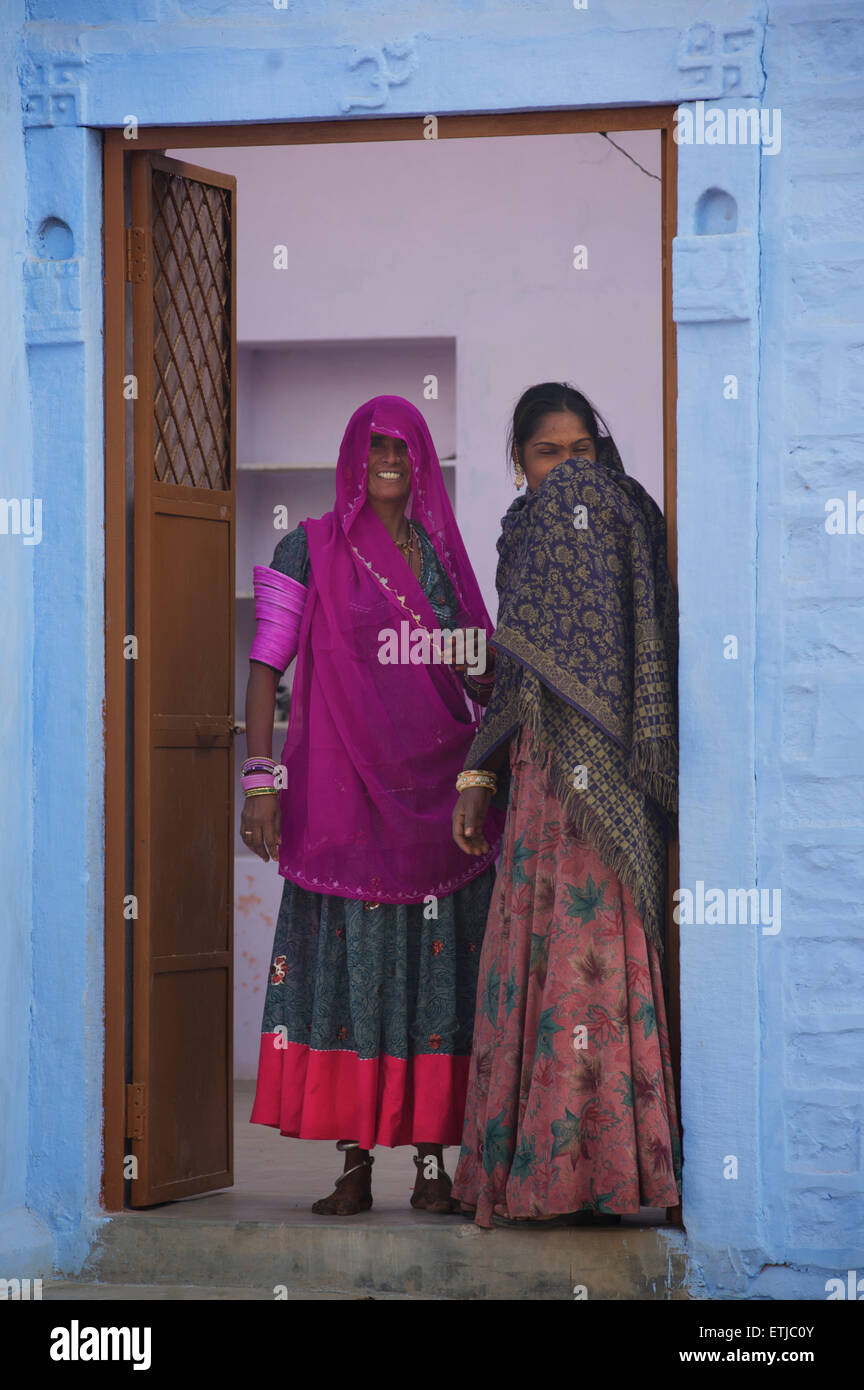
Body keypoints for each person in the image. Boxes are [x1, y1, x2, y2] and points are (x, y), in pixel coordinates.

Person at [243, 394, 504, 1216]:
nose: (389, 465)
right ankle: (352, 1164)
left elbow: (473, 668)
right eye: (376, 450)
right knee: (349, 977)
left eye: (404, 451)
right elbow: (266, 666)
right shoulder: (309, 546)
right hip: (338, 798)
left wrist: (499, 699)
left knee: (433, 984)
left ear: (421, 463)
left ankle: (432, 1164)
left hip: (432, 797)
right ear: (352, 458)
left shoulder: (436, 556)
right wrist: (260, 780)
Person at [449, 382, 682, 1228]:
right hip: (543, 781)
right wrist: (481, 771)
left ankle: (610, 1174)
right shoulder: (523, 536)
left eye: (580, 450)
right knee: (546, 954)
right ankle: (556, 1173)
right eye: (549, 454)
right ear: (519, 461)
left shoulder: (613, 513)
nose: (568, 469)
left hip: (606, 784)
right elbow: (517, 676)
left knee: (595, 959)